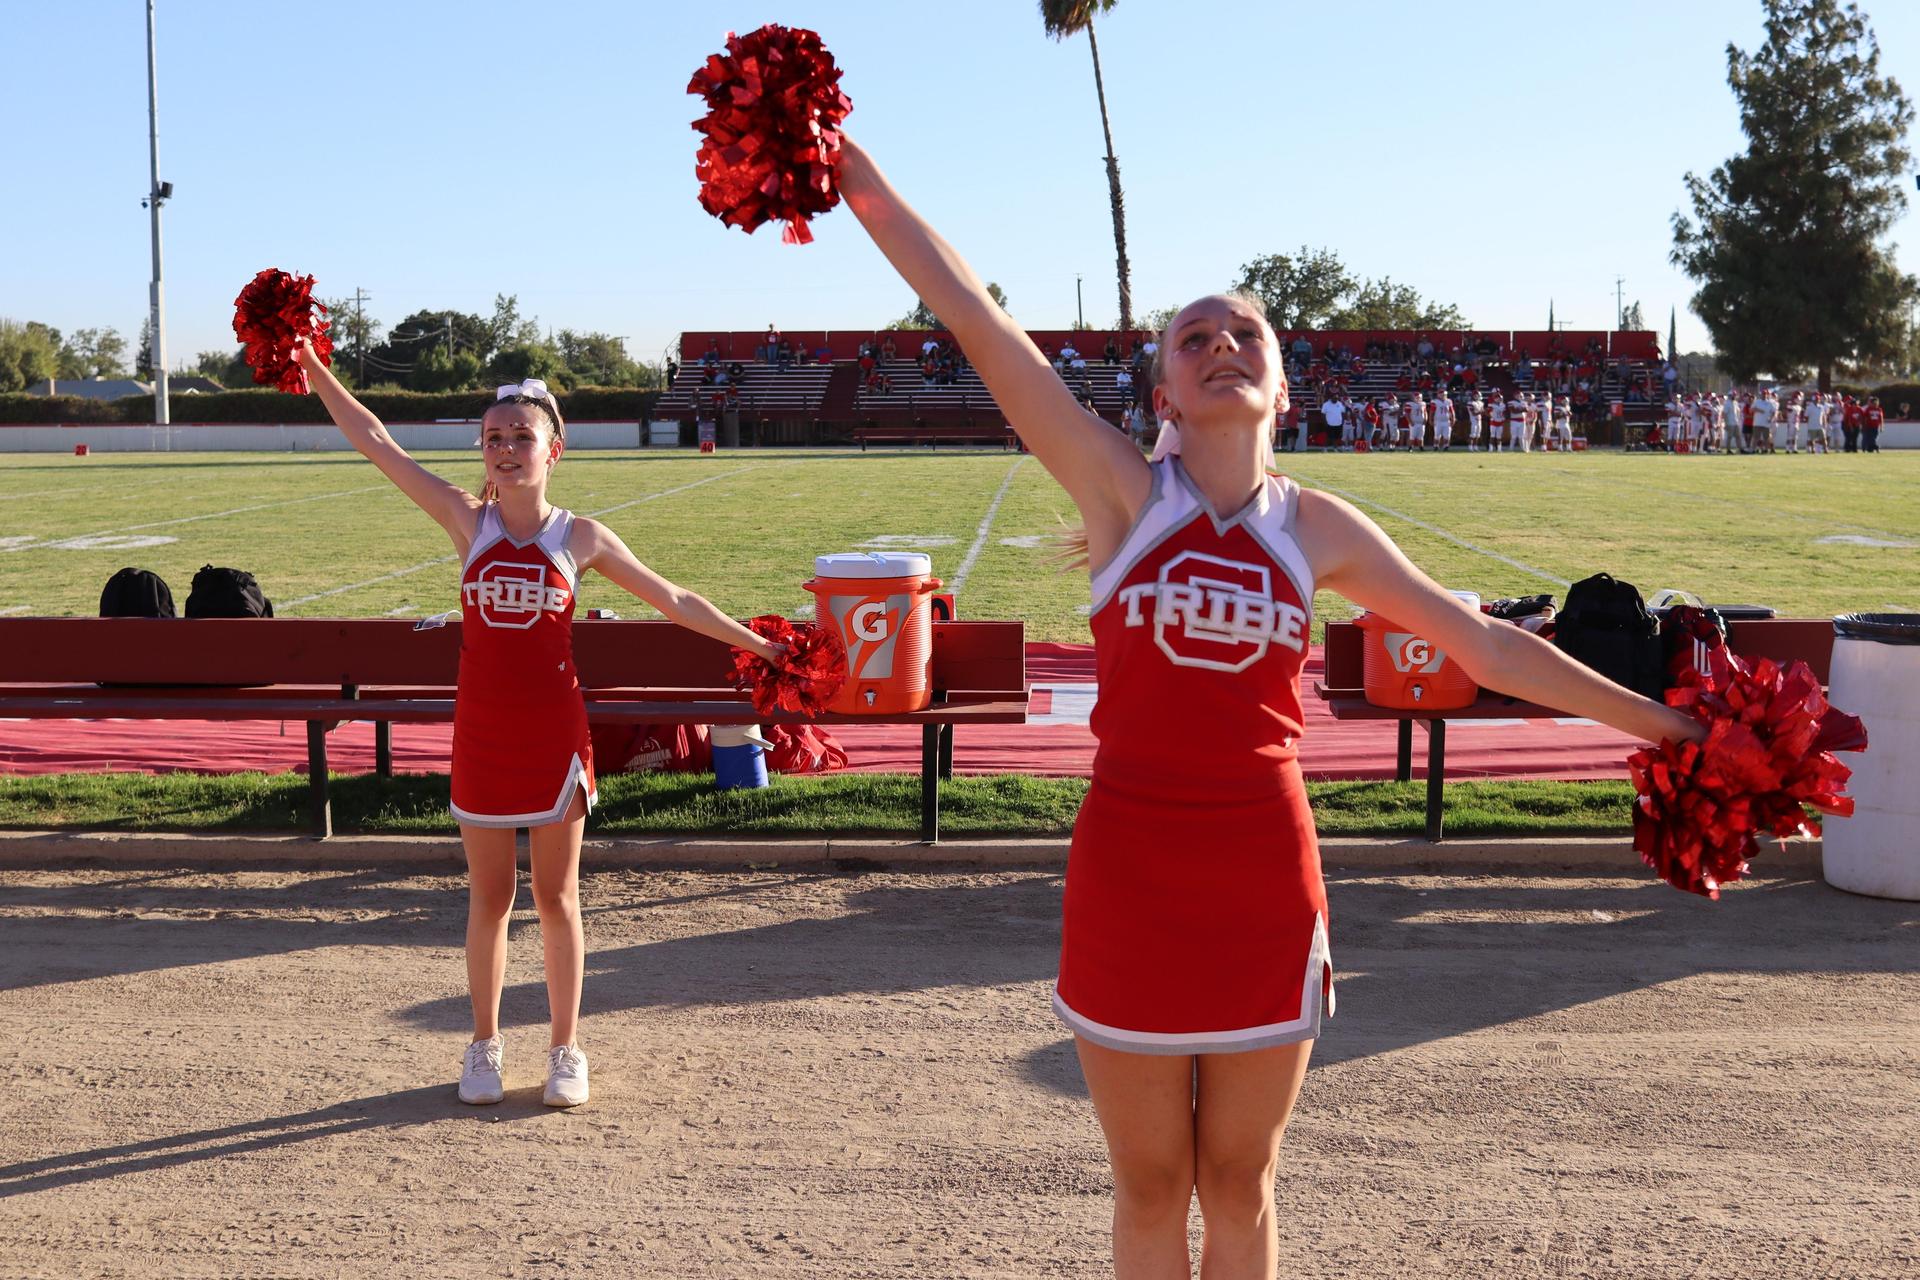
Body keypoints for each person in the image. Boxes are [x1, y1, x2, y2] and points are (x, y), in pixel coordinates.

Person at [833, 135, 1705, 1278]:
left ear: (1284, 385)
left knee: (1241, 1183)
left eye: (1246, 334)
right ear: (1165, 394)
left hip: (1262, 876)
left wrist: (1671, 728)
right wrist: (847, 171)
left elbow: (1487, 641)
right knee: (1151, 1185)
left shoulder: (1319, 527)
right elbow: (972, 315)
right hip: (1130, 877)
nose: (1221, 347)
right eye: (1195, 339)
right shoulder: (1120, 492)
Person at [292, 342, 780, 1110]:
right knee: (489, 900)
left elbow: (676, 600)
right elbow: (376, 442)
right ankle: (484, 1046)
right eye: (494, 439)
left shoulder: (579, 538)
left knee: (559, 899)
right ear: (482, 455)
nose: (507, 450)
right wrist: (313, 368)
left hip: (556, 739)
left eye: (522, 437)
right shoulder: (466, 519)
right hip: (483, 735)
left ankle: (565, 1049)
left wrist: (762, 646)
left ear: (555, 450)